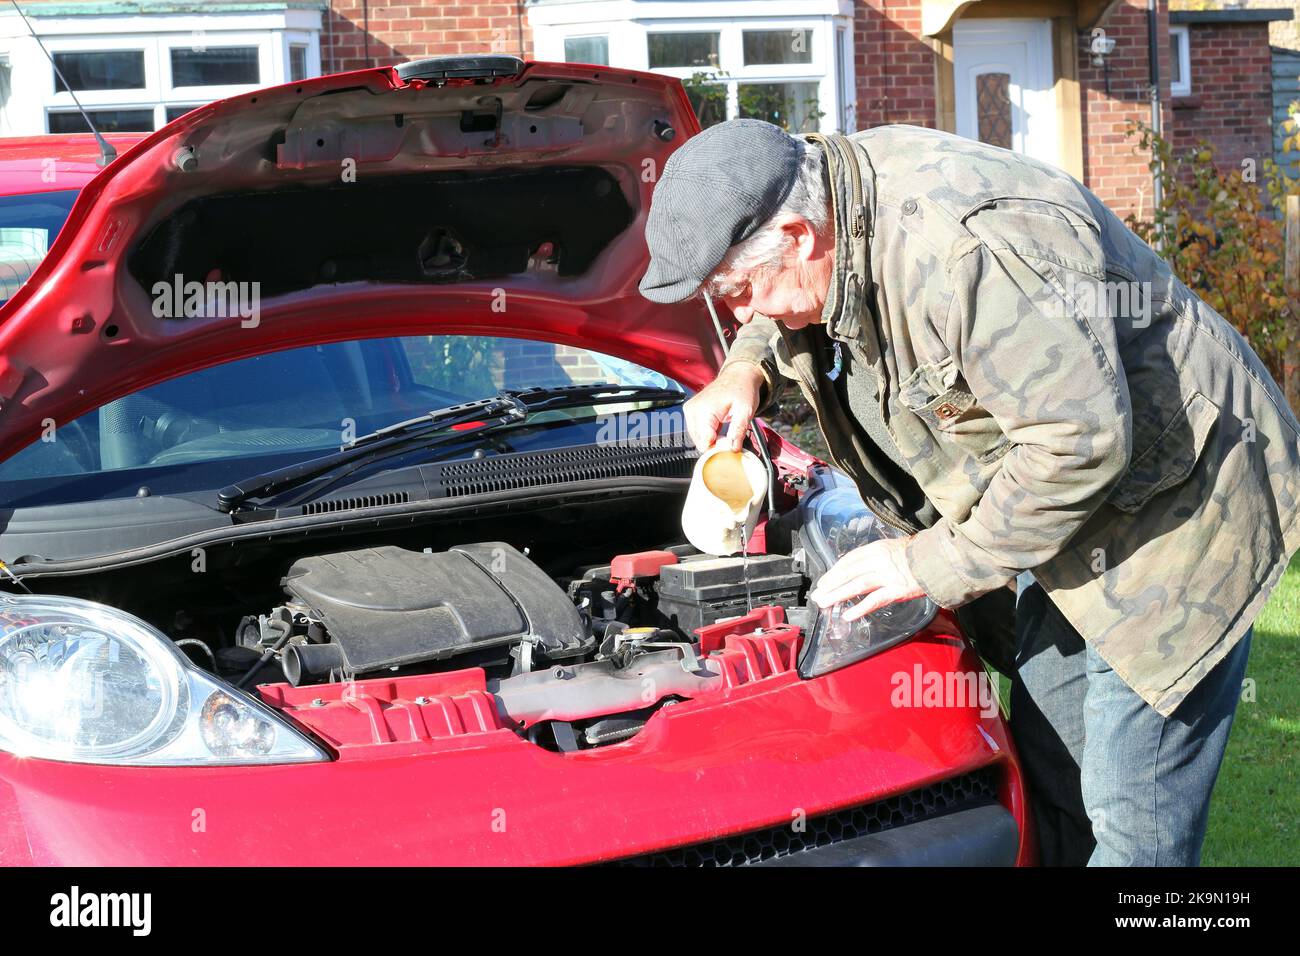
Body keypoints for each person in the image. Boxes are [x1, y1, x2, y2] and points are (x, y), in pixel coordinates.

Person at [638, 119, 1300, 866]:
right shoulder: (818, 192)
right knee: (1056, 768)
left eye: (739, 292)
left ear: (797, 238)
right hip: (1069, 517)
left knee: (1131, 820)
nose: (740, 311)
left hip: (1177, 508)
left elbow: (1078, 445)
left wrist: (926, 564)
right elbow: (772, 280)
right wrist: (747, 365)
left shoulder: (969, 252)